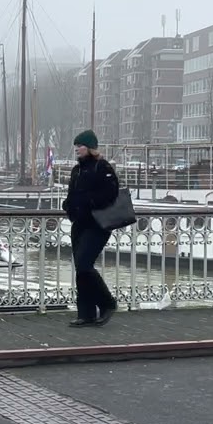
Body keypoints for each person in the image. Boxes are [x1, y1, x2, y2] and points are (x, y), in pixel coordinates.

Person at [62, 130, 120, 327]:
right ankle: (86, 314)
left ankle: (107, 303)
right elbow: (72, 194)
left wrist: (87, 202)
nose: (77, 149)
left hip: (97, 225)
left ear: (90, 148)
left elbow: (111, 193)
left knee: (84, 263)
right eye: (76, 146)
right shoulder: (77, 170)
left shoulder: (102, 167)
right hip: (79, 224)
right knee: (81, 269)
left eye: (80, 146)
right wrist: (68, 206)